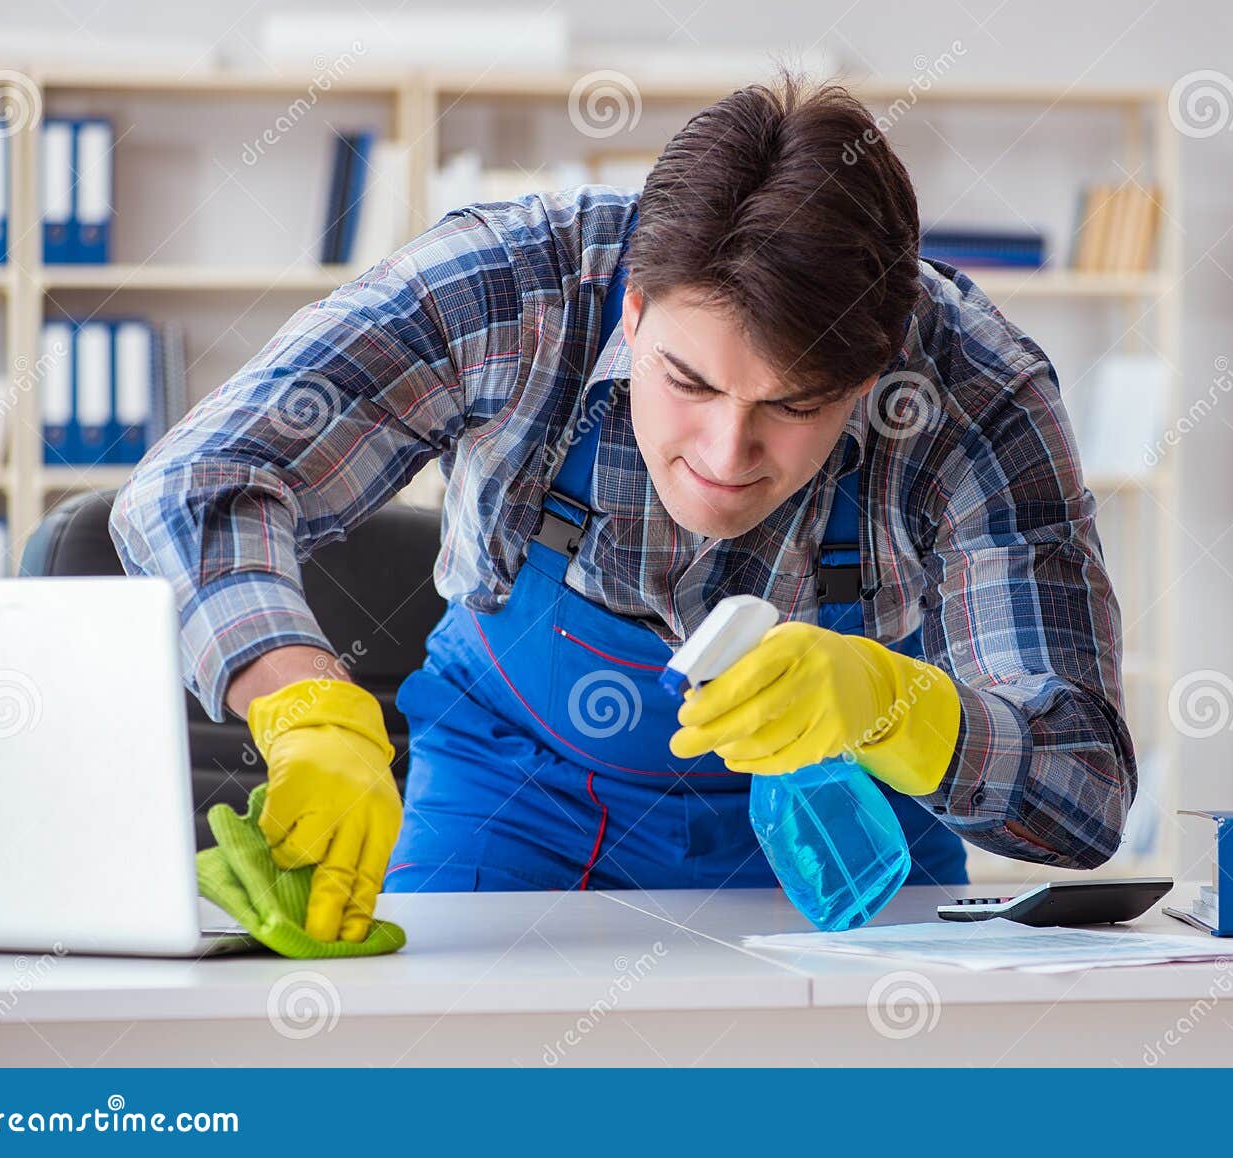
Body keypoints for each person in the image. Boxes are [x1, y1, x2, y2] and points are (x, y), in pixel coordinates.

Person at [110, 75, 1136, 944]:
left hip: (841, 811)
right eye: (688, 384)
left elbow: (1081, 798)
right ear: (633, 311)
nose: (726, 455)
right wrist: (308, 710)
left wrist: (900, 708)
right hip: (513, 791)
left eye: (795, 406)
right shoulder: (512, 287)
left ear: (874, 372)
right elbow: (195, 483)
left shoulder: (974, 387)